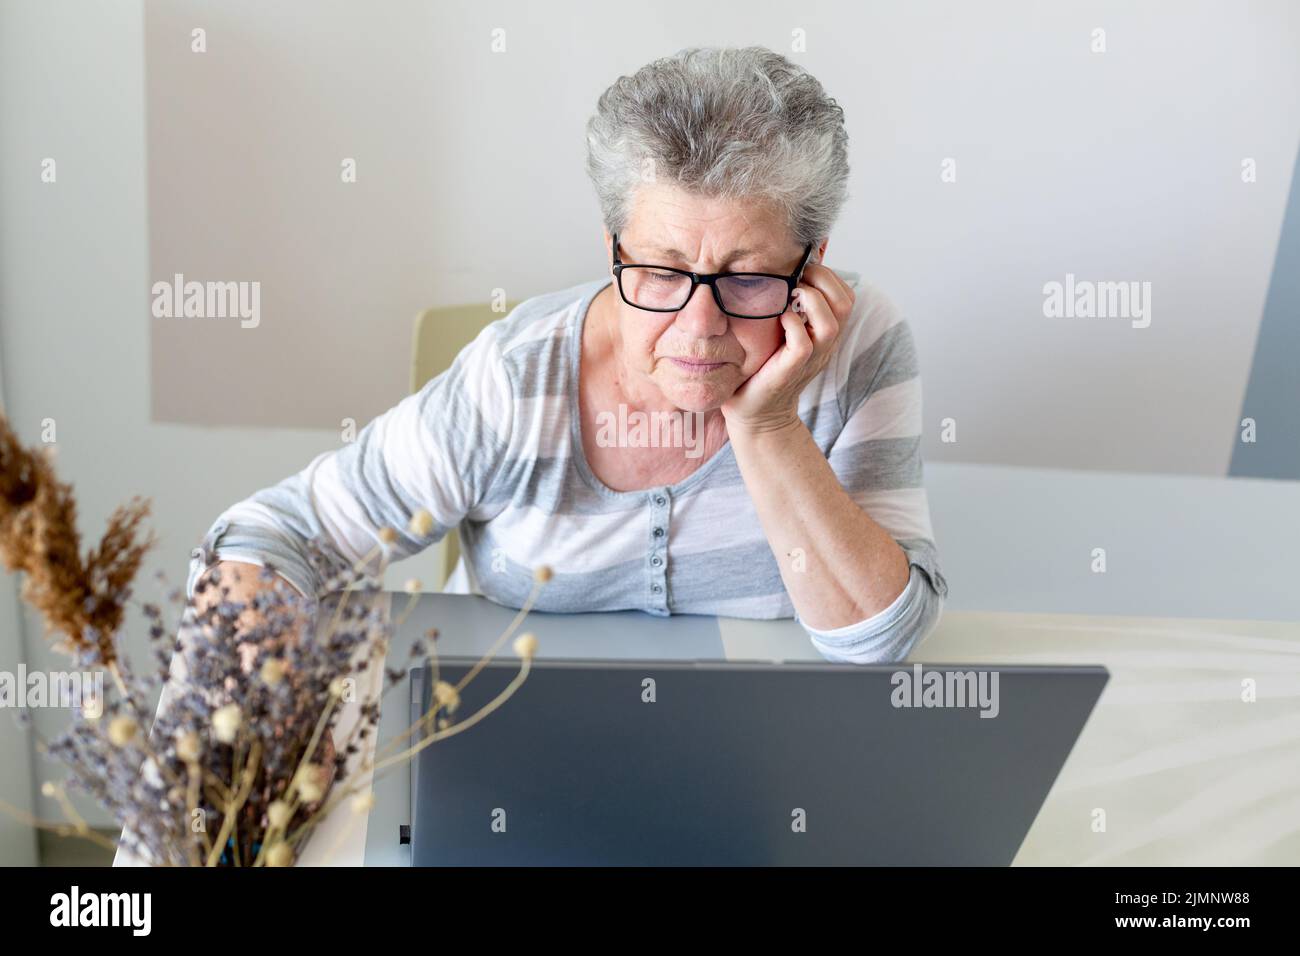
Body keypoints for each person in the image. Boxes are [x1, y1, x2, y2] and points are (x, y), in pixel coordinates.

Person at [190, 46, 948, 664]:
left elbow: (878, 639)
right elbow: (279, 533)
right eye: (660, 270)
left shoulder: (860, 343)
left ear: (813, 260)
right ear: (615, 248)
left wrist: (769, 426)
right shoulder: (517, 377)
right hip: (502, 753)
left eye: (747, 278)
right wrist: (265, 694)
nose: (699, 328)